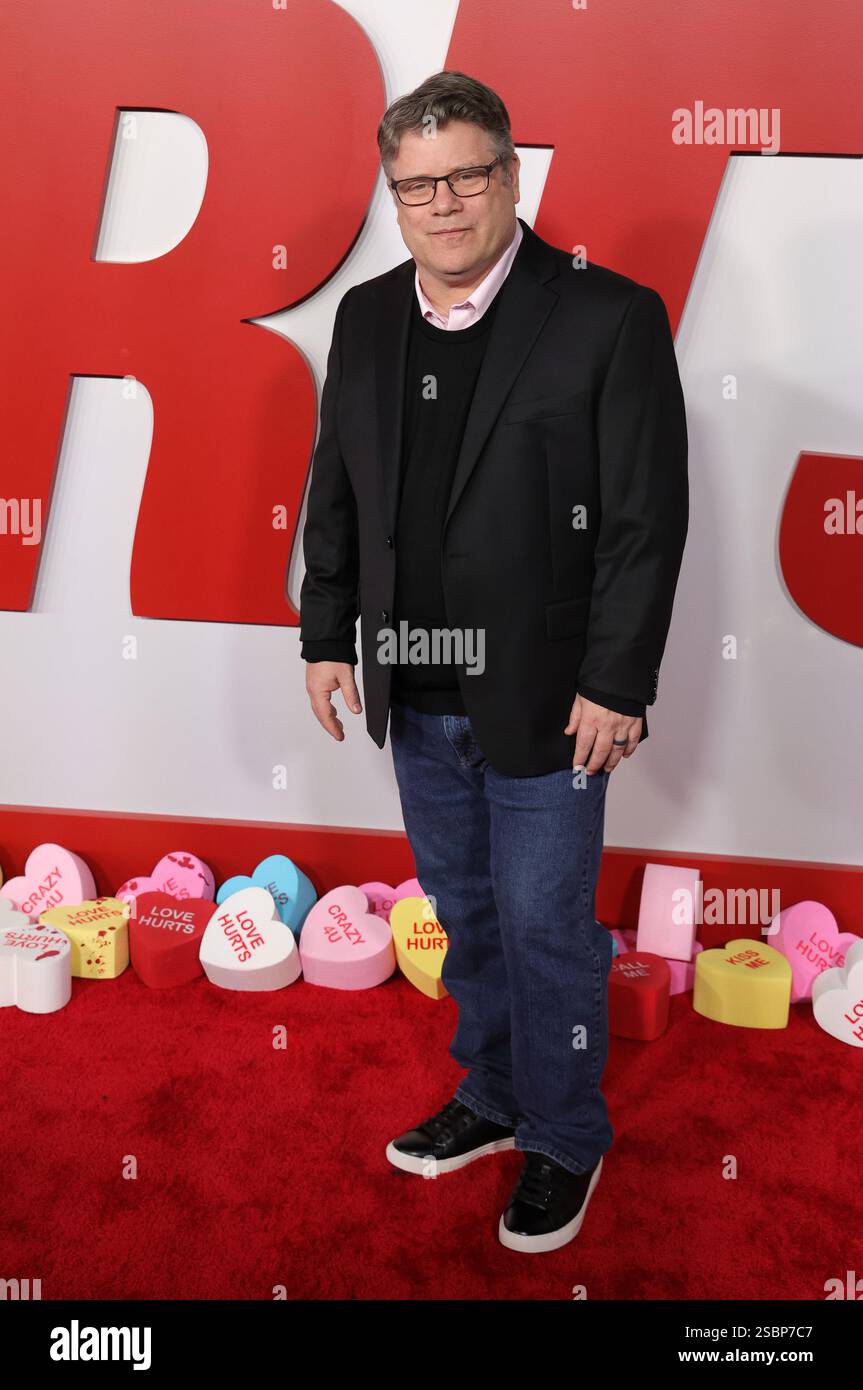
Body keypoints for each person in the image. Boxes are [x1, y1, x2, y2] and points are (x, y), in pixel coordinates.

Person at [298, 70, 688, 1253]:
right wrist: (327, 633)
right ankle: (494, 1091)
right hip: (413, 683)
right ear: (393, 195)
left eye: (468, 175)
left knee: (543, 925)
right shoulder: (365, 316)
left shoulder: (605, 316)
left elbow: (641, 518)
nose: (445, 203)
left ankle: (565, 1134)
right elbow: (340, 486)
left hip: (551, 699)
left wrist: (617, 682)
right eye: (418, 185)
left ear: (510, 179)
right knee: (465, 914)